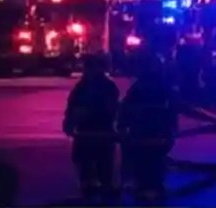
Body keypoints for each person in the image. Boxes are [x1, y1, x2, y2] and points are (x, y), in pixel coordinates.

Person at [118, 53, 178, 202]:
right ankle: (152, 186)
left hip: (143, 132)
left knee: (142, 160)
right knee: (152, 161)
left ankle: (143, 185)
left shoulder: (139, 87)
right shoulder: (163, 86)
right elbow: (173, 108)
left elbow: (126, 107)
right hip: (155, 132)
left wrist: (123, 125)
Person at [62, 54, 120, 201]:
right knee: (85, 162)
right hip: (86, 132)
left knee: (103, 163)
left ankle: (103, 186)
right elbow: (72, 106)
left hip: (100, 131)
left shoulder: (105, 87)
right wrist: (70, 121)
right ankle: (90, 186)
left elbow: (112, 108)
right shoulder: (83, 87)